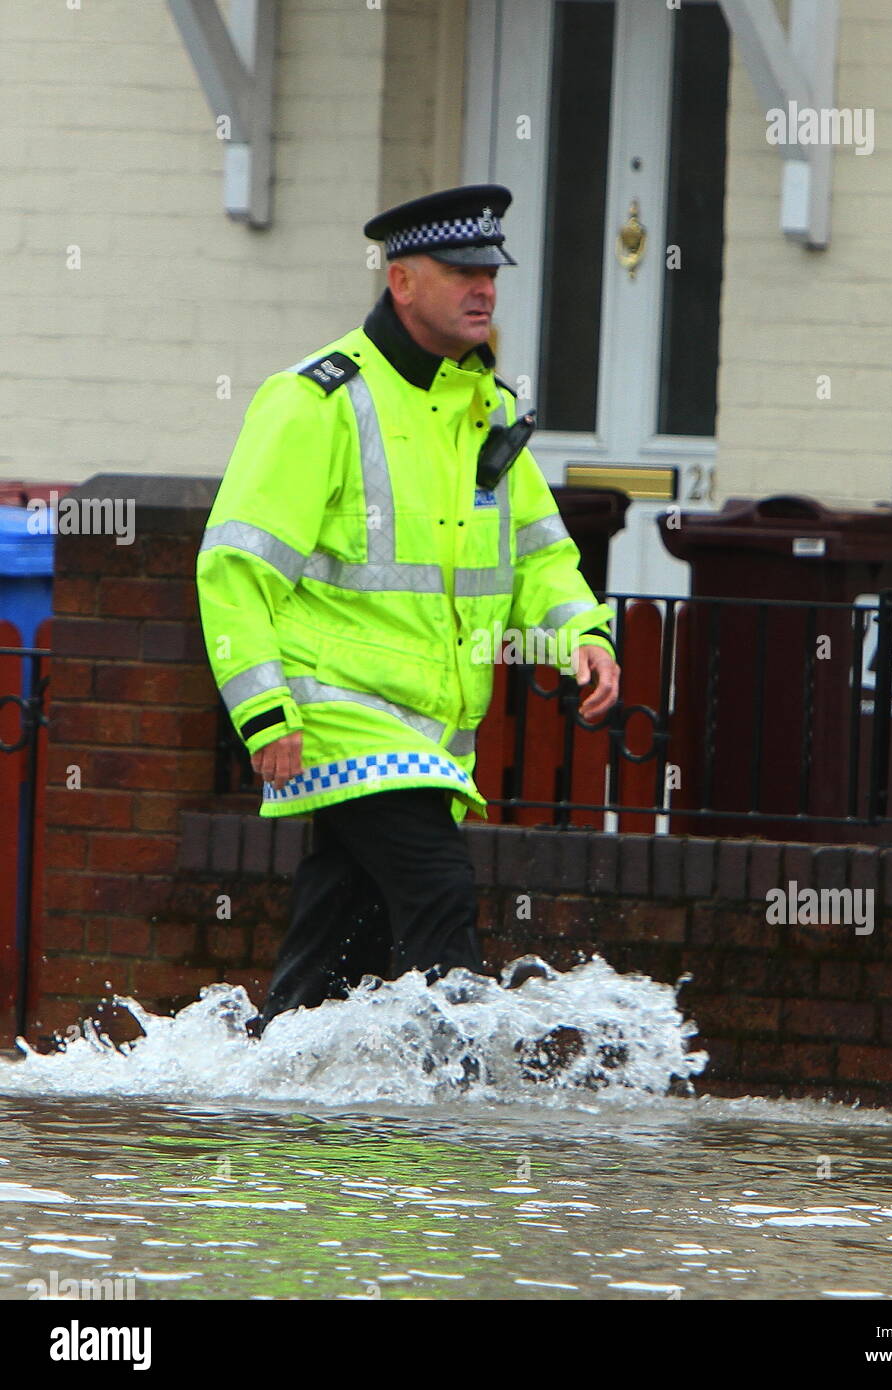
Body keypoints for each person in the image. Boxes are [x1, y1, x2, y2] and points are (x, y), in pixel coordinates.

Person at [196, 184, 620, 1032]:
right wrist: (263, 707)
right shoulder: (317, 401)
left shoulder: (487, 411)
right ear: (401, 281)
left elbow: (538, 553)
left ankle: (271, 1090)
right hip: (341, 718)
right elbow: (234, 565)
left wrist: (581, 630)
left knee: (340, 947)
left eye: (491, 272)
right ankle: (458, 1105)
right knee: (439, 890)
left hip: (429, 738)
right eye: (461, 270)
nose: (485, 289)